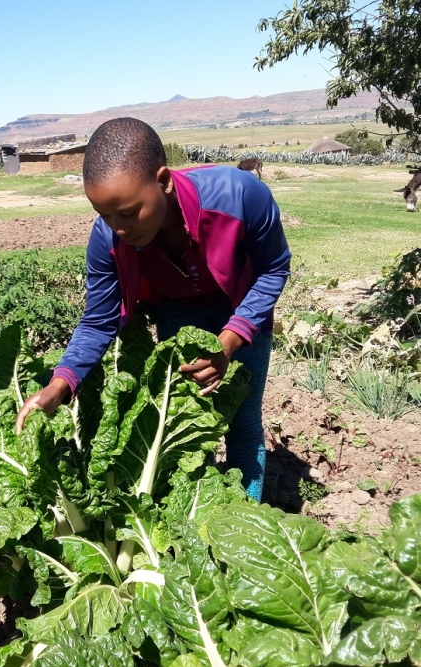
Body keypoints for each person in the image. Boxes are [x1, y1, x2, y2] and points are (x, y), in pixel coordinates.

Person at [16, 117, 291, 502]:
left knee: (243, 421)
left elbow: (274, 268)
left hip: (245, 308)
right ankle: (197, 513)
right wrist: (59, 386)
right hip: (178, 310)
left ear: (164, 181)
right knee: (185, 422)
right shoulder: (108, 239)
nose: (119, 228)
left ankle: (247, 515)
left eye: (129, 212)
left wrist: (230, 341)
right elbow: (98, 321)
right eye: (104, 214)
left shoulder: (240, 196)